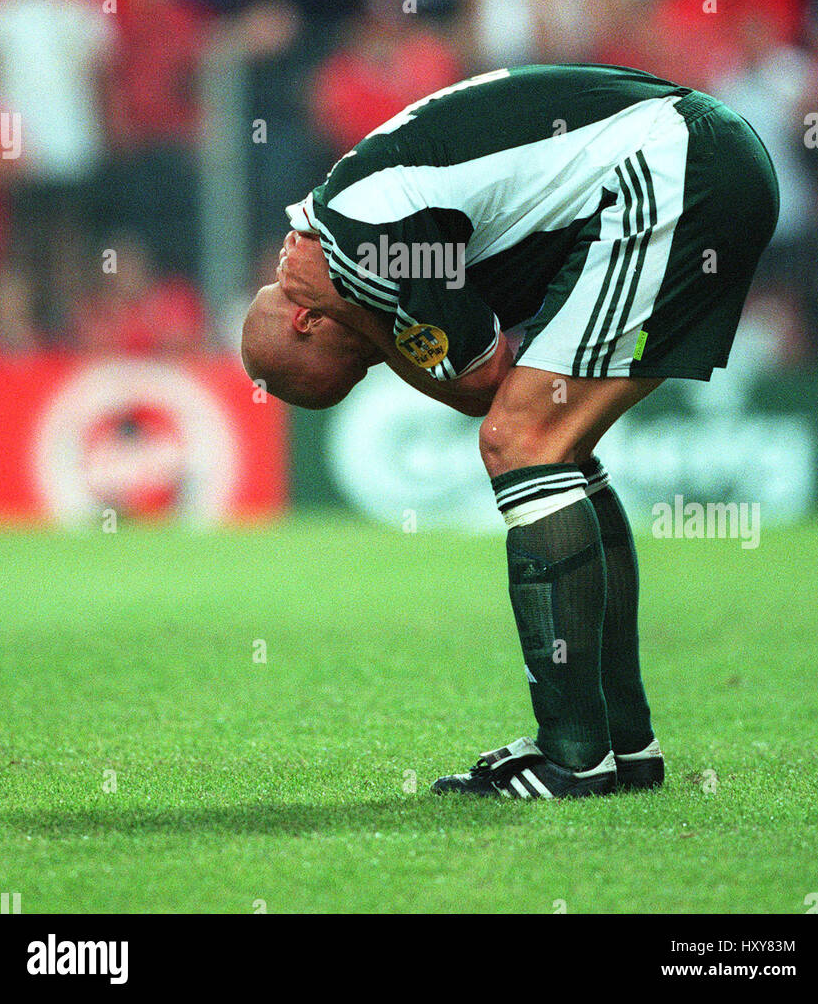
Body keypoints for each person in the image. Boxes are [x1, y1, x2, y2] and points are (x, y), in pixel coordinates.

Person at [242, 64, 779, 800]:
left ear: (309, 317)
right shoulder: (355, 226)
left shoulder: (358, 243)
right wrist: (370, 319)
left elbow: (480, 381)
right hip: (693, 158)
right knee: (552, 446)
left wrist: (363, 315)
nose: (377, 360)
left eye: (355, 365)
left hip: (672, 168)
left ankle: (571, 756)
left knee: (521, 441)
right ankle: (622, 745)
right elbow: (469, 374)